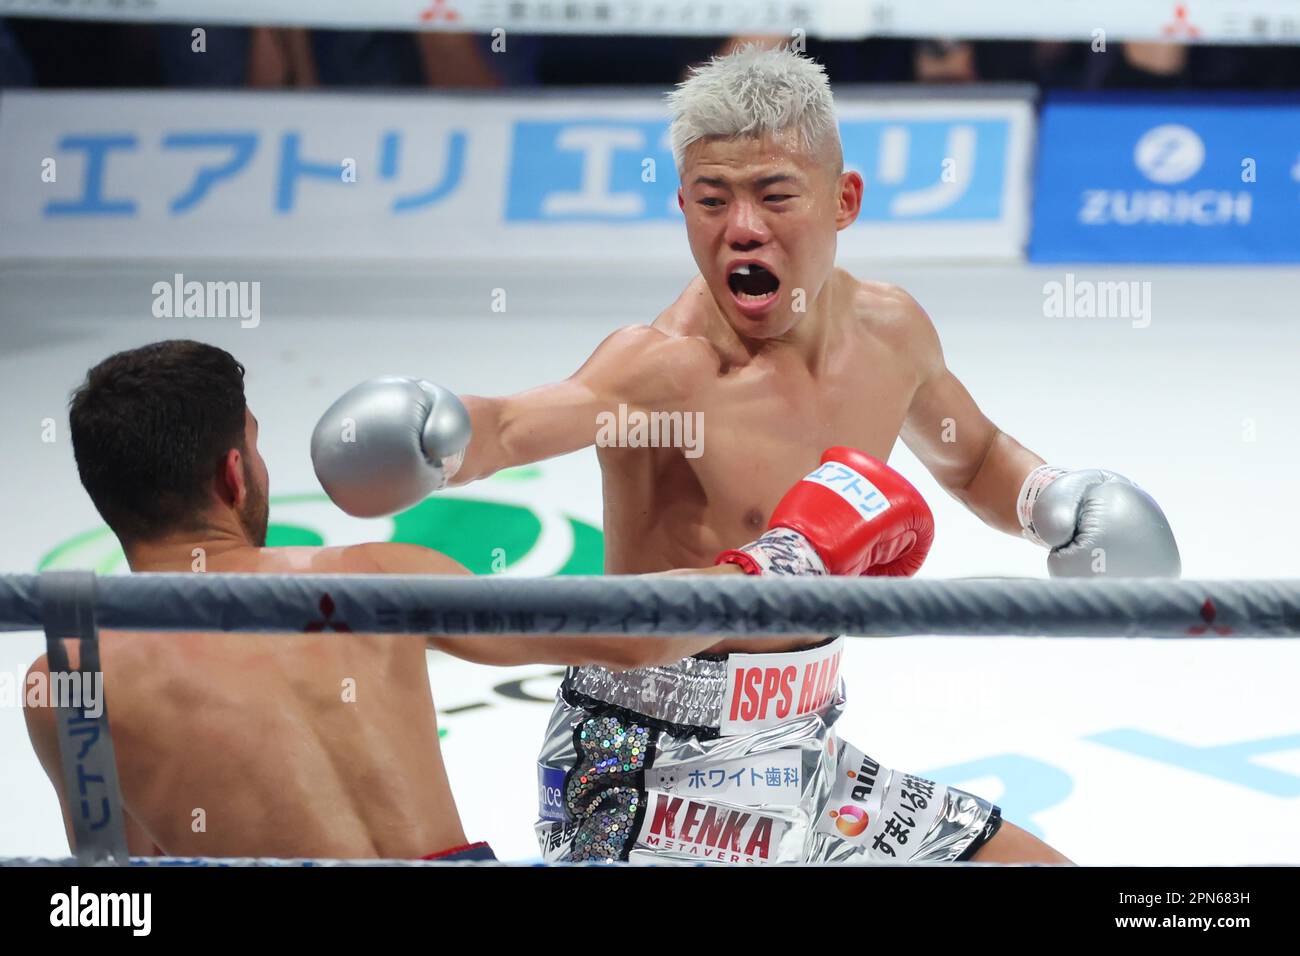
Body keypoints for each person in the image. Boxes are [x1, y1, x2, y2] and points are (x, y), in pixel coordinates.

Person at [314, 47, 1180, 864]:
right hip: (653, 762)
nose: (741, 229)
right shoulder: (663, 367)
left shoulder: (891, 331)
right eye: (711, 198)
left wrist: (1055, 501)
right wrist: (440, 434)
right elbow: (518, 425)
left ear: (843, 200)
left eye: (773, 195)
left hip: (808, 748)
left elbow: (975, 454)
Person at [24, 340, 880, 862]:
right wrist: (783, 554)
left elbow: (113, 891)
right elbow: (626, 638)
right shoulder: (371, 580)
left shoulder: (67, 677)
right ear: (233, 473)